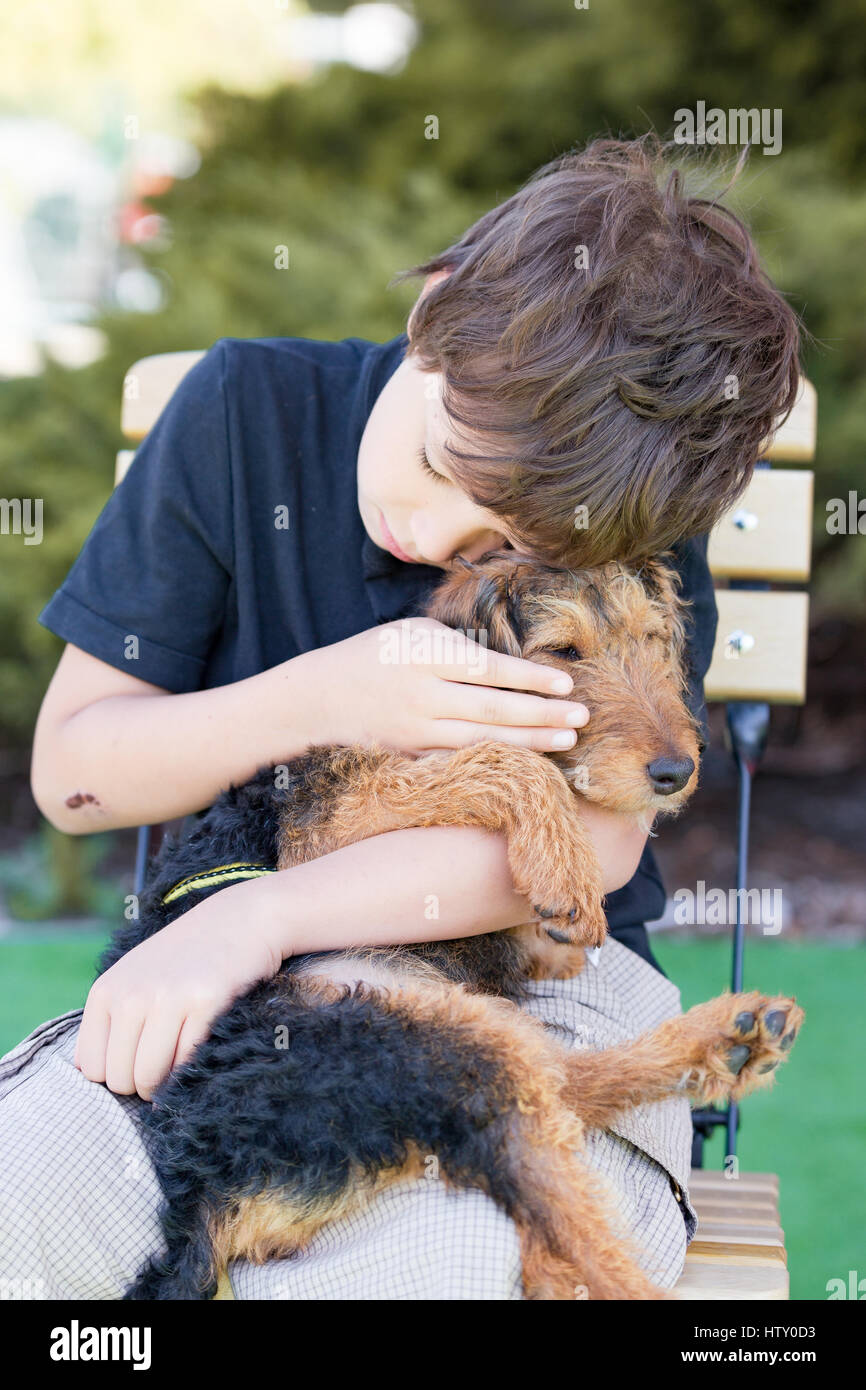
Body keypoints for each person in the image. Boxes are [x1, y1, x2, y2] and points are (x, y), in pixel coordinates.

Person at [1, 135, 801, 1299]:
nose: (433, 541)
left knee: (438, 1257)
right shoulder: (242, 413)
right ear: (434, 318)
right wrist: (321, 695)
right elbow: (75, 775)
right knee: (26, 1190)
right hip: (229, 982)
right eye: (436, 463)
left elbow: (598, 840)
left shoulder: (625, 504)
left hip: (534, 976)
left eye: (502, 547)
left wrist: (271, 916)